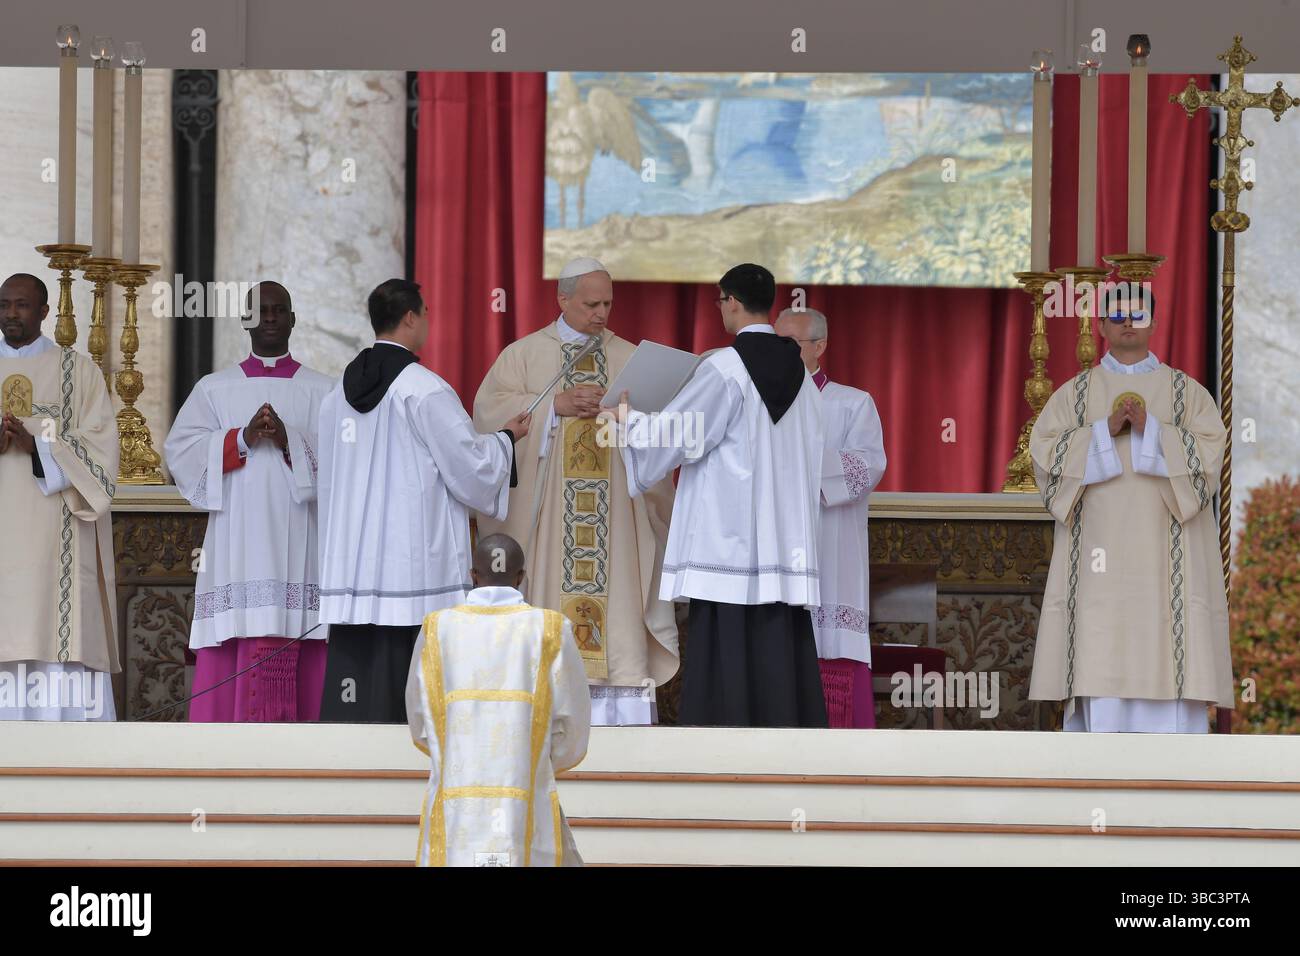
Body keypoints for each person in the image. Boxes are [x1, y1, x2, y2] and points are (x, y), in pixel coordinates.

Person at [601, 264, 828, 728]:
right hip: (784, 539)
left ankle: (721, 749)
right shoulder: (802, 375)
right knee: (779, 647)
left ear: (730, 301)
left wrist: (626, 419)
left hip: (728, 539)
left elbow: (681, 435)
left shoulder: (725, 369)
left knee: (725, 649)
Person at [316, 278, 529, 723]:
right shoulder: (425, 389)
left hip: (355, 560)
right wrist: (507, 439)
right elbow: (469, 466)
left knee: (357, 682)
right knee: (411, 681)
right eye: (426, 312)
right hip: (411, 563)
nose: (428, 321)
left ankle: (350, 759)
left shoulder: (337, 394)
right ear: (411, 318)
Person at [1029, 285, 1233, 732]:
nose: (1127, 322)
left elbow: (1209, 461)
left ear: (1153, 325)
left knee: (1171, 657)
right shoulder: (1074, 395)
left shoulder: (1188, 394)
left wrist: (1153, 430)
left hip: (1168, 560)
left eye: (1137, 315)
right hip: (1099, 559)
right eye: (1116, 315)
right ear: (1100, 326)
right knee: (1101, 656)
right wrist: (1103, 431)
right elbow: (1043, 457)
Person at [473, 257, 678, 700]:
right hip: (551, 524)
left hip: (616, 527)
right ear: (562, 299)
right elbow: (490, 417)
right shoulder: (524, 356)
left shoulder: (627, 357)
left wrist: (630, 419)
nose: (601, 314)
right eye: (590, 304)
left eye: (607, 303)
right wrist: (553, 407)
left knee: (618, 624)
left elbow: (660, 438)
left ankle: (621, 693)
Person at [165, 281, 334, 721]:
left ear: (294, 319)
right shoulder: (214, 389)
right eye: (261, 311)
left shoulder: (324, 391)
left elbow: (346, 458)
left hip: (302, 537)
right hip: (236, 540)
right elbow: (180, 452)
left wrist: (288, 440)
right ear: (246, 320)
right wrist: (240, 437)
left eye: (280, 310)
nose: (271, 318)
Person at [406, 533, 589, 866]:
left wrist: (447, 754)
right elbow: (573, 721)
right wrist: (538, 763)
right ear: (521, 577)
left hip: (456, 791)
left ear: (473, 575)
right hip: (521, 786)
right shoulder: (549, 628)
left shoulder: (437, 627)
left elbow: (419, 718)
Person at [0, 273, 119, 720]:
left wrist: (39, 447)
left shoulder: (78, 371)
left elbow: (104, 453)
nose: (12, 313)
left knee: (52, 630)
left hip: (54, 537)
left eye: (22, 305)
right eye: (5, 304)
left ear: (45, 311)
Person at [774, 307, 887, 728]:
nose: (779, 353)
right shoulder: (759, 402)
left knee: (829, 649)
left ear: (819, 346)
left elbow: (867, 466)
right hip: (776, 548)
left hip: (830, 545)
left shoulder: (852, 403)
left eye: (791, 344)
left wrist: (792, 462)